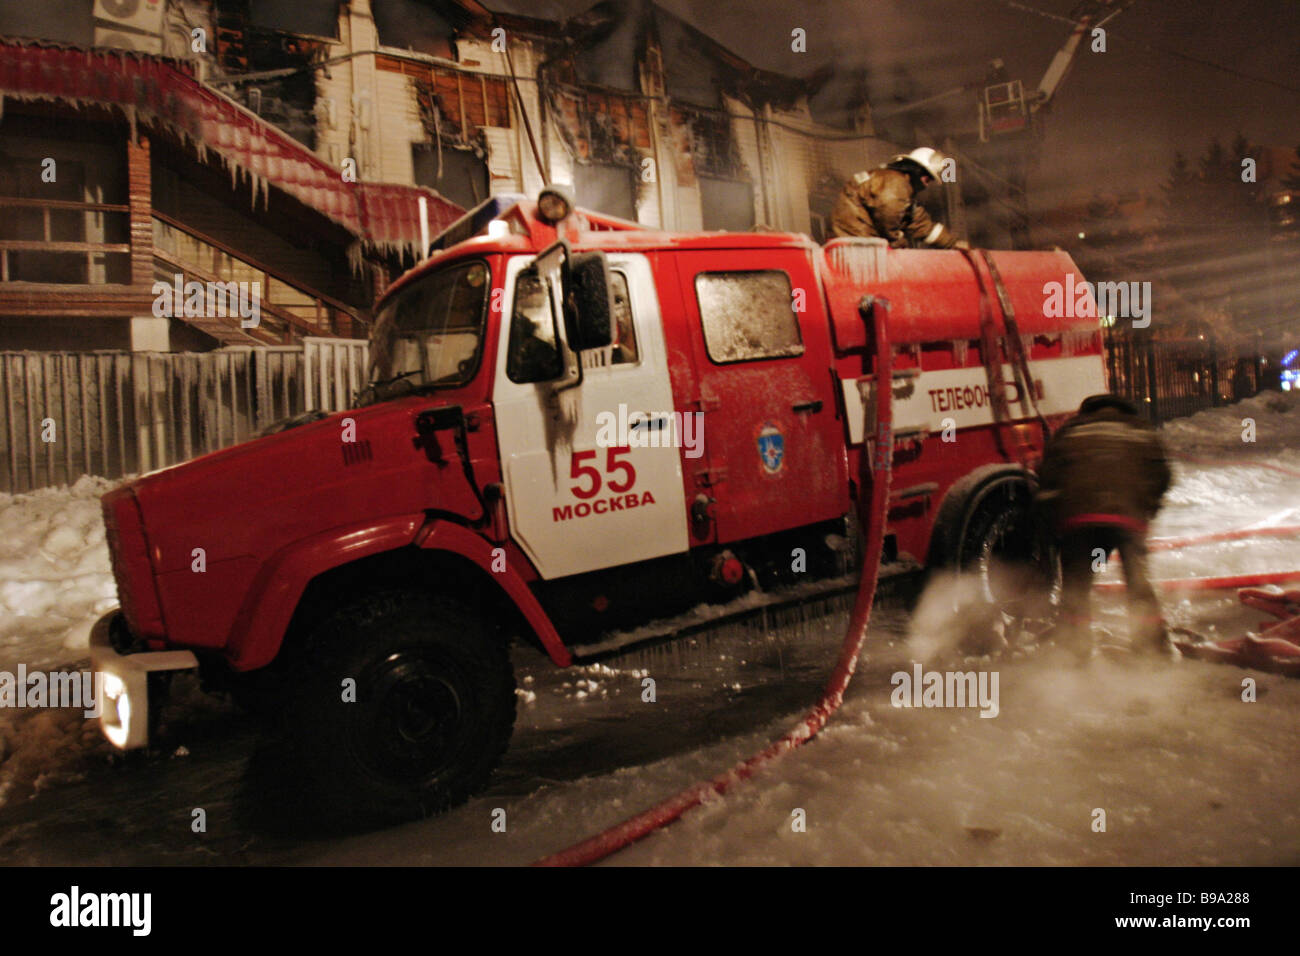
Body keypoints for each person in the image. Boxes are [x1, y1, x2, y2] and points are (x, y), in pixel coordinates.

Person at [1036, 394, 1174, 660]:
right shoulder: (1141, 430)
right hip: (1127, 520)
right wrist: (1148, 508)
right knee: (1138, 585)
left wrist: (1054, 518)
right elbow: (1162, 476)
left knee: (1076, 586)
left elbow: (1048, 478)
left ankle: (1073, 648)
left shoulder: (1070, 430)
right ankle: (1152, 648)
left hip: (1078, 520)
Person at [828, 147, 967, 249]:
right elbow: (888, 209)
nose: (927, 181)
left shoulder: (894, 183)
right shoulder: (895, 182)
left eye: (930, 178)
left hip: (857, 244)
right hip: (858, 247)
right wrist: (895, 239)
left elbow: (919, 223)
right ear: (914, 169)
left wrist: (952, 242)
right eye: (927, 175)